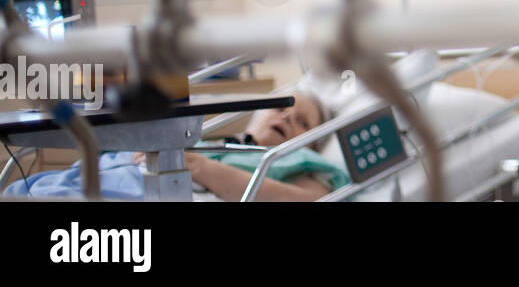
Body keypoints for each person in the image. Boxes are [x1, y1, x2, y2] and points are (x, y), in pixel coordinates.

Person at [4, 90, 349, 201]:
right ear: (257, 113)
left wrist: (205, 168)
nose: (288, 118)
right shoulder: (211, 139)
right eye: (281, 107)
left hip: (154, 189)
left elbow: (312, 200)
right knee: (25, 189)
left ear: (312, 143)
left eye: (303, 122)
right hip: (109, 172)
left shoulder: (296, 158)